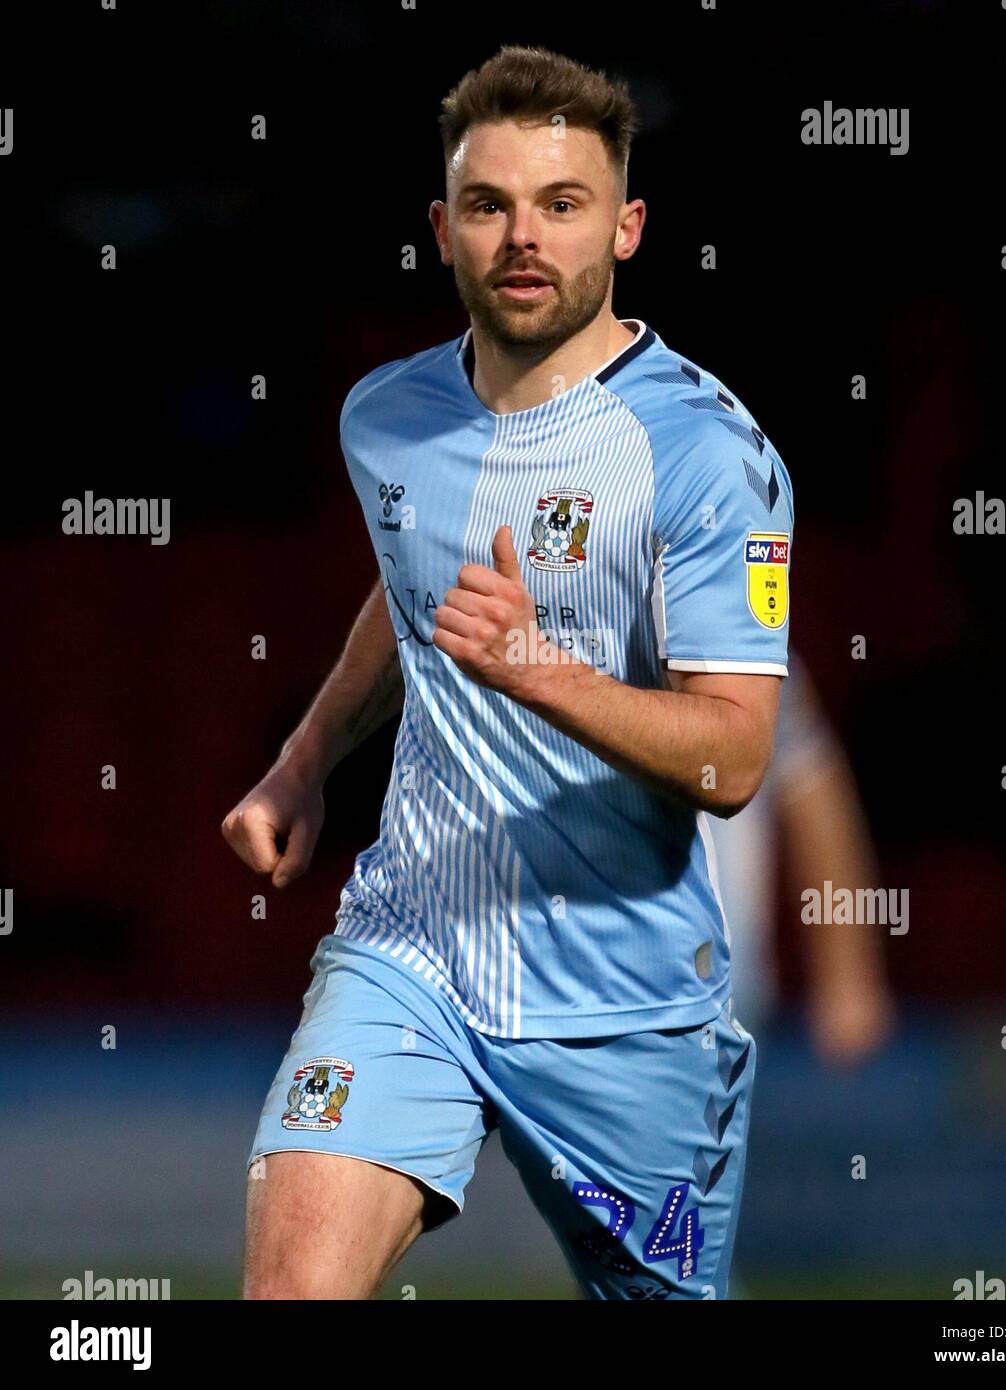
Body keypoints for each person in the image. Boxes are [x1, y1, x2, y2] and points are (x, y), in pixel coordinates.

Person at [222, 45, 794, 1300]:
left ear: (627, 228)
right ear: (443, 230)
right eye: (488, 205)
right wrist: (304, 763)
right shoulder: (386, 418)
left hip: (626, 1005)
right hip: (411, 951)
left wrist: (544, 670)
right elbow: (414, 589)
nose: (523, 237)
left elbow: (738, 757)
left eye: (562, 203)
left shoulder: (709, 456)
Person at [705, 649, 896, 1067]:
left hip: (725, 1007)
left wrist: (848, 978)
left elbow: (809, 783)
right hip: (582, 1004)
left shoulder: (737, 640)